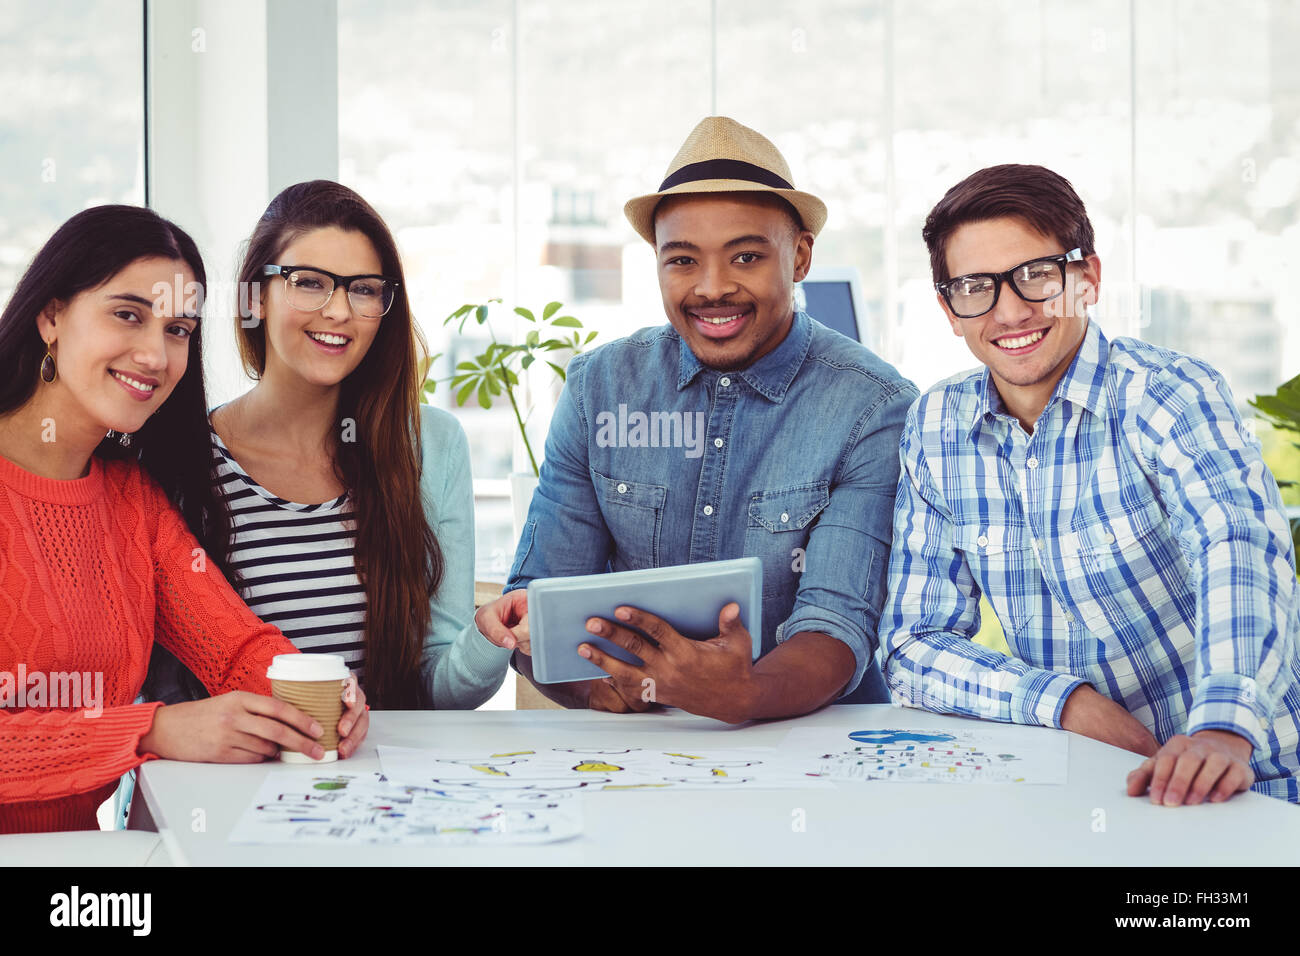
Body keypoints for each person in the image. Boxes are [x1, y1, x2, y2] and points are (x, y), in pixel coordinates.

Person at [881, 163, 1300, 804]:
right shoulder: (936, 427)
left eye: (1037, 275)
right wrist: (1067, 704)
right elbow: (913, 646)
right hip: (1086, 786)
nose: (1011, 309)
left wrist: (1222, 728)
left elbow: (1237, 546)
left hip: (1254, 779)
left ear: (1088, 279)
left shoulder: (1167, 395)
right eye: (975, 287)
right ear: (949, 310)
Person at [474, 116, 917, 721]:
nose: (712, 288)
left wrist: (743, 696)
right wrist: (595, 689)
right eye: (682, 260)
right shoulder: (598, 390)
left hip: (810, 750)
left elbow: (839, 626)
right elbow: (541, 608)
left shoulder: (872, 407)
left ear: (801, 256)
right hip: (637, 749)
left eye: (745, 256)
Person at [0, 205, 367, 833]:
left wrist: (312, 692)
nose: (155, 354)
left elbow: (234, 647)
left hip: (81, 863)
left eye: (178, 330)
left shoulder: (129, 498)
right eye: (128, 315)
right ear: (52, 314)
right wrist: (151, 728)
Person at [196, 180, 507, 709]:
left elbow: (437, 690)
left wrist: (488, 640)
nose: (339, 311)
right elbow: (169, 690)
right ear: (257, 298)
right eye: (310, 282)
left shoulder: (430, 445)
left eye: (363, 289)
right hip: (235, 781)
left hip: (378, 784)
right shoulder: (188, 462)